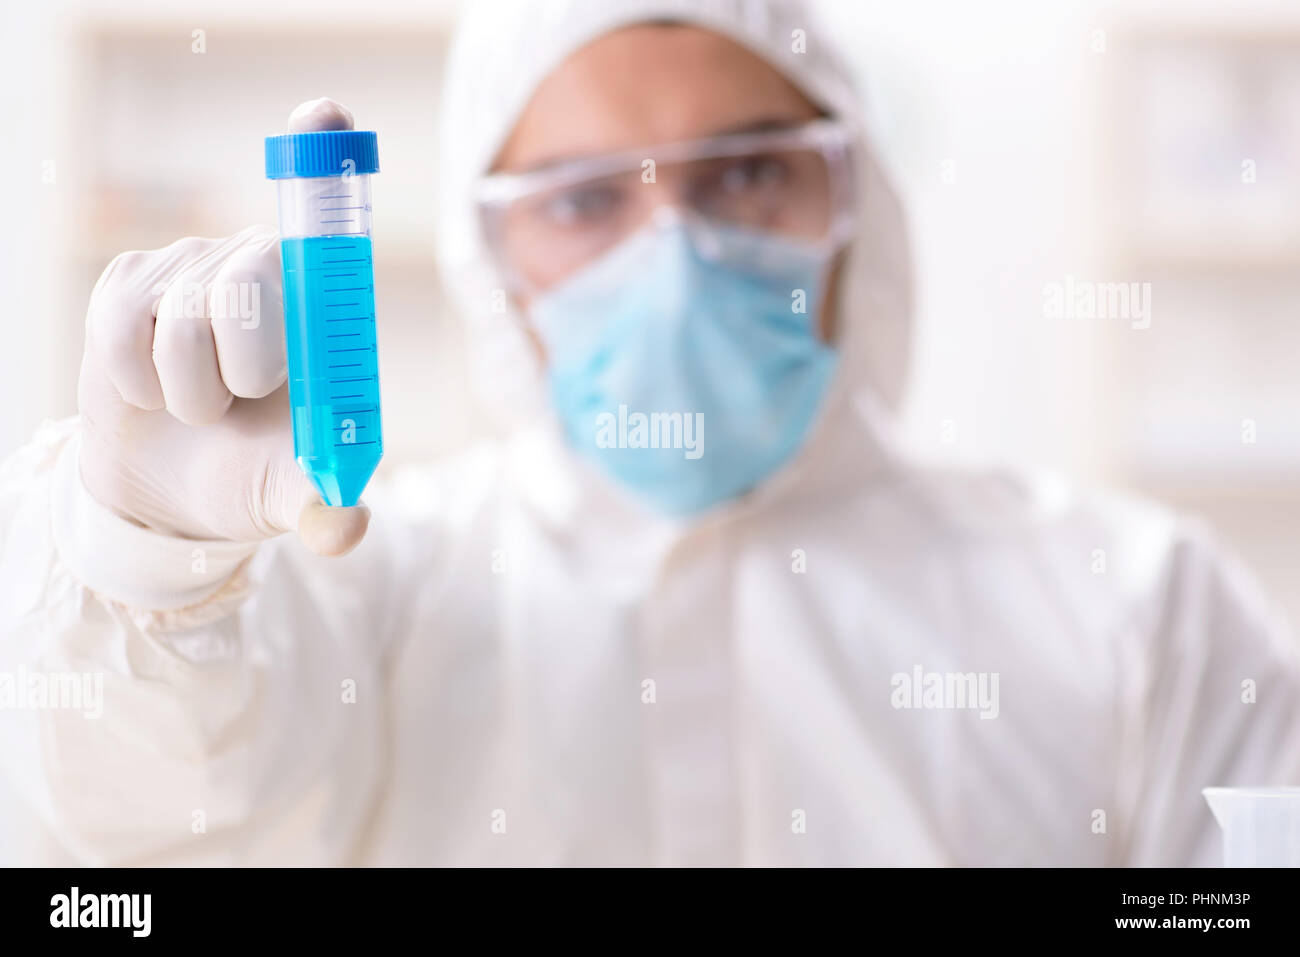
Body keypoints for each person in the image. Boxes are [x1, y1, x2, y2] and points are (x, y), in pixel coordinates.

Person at [1, 0, 1298, 867]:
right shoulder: (370, 582)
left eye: (746, 173)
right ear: (489, 255)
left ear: (856, 197)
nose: (673, 256)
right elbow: (149, 818)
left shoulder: (1142, 605)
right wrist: (149, 570)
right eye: (580, 200)